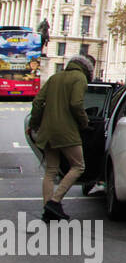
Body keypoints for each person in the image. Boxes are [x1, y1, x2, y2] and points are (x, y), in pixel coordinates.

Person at [30, 54, 94, 222]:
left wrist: (34, 123)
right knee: (78, 166)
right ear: (87, 69)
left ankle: (48, 211)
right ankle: (55, 202)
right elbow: (76, 104)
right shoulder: (80, 78)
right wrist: (84, 122)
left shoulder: (55, 77)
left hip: (47, 131)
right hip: (67, 132)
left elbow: (37, 102)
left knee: (51, 171)